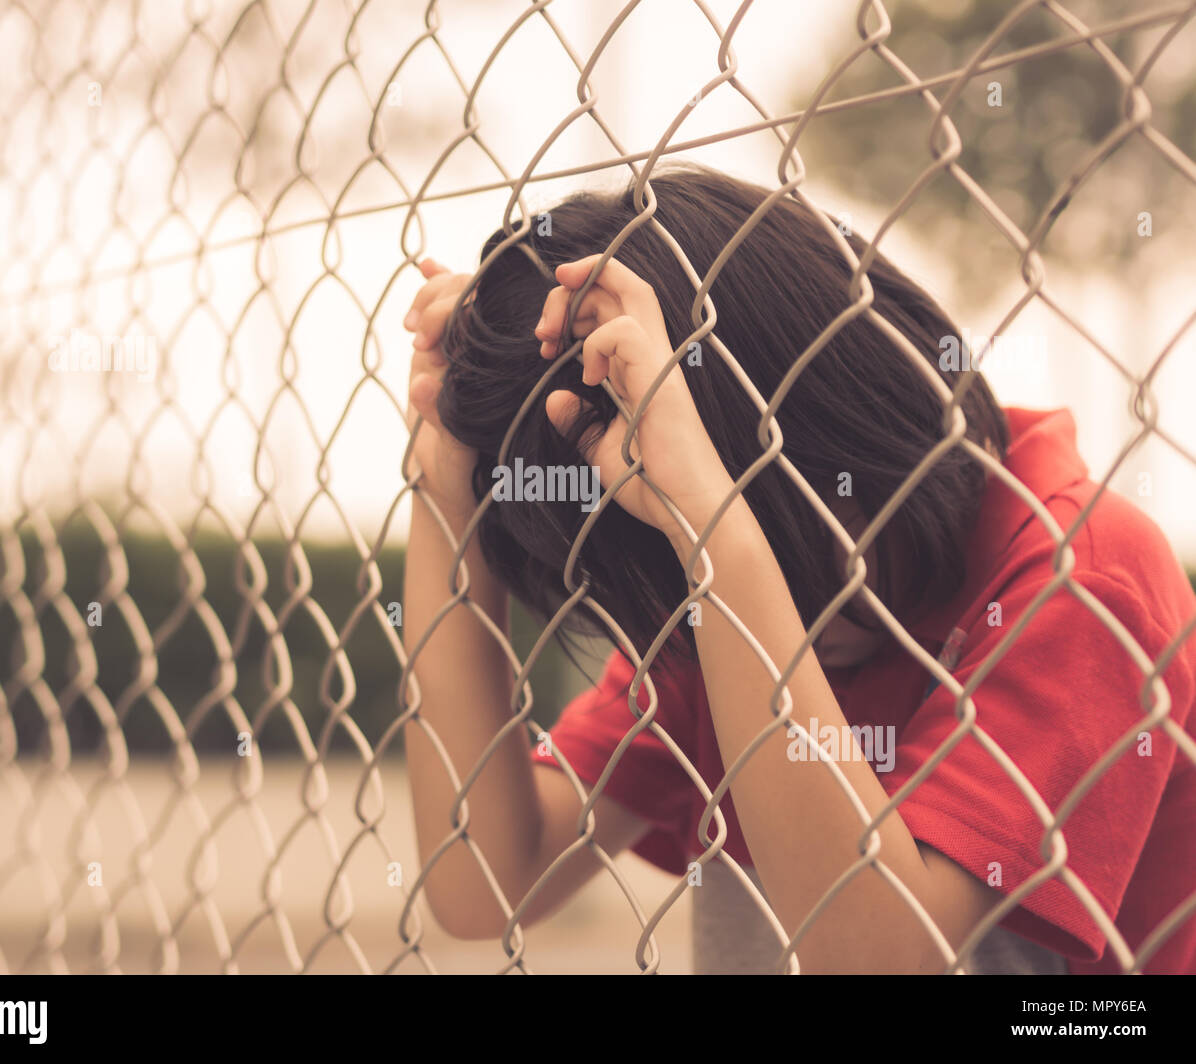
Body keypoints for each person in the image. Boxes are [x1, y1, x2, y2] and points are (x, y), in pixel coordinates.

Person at [399, 163, 1196, 974]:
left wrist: (716, 528)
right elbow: (483, 879)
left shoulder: (1080, 579)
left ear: (844, 415)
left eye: (759, 547)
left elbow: (878, 958)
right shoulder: (706, 596)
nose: (794, 621)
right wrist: (447, 479)